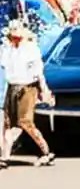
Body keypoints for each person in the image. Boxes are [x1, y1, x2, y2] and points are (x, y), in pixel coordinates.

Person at [0, 20, 54, 167]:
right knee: (6, 123)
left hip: (27, 88)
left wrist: (44, 91)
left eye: (17, 36)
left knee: (25, 122)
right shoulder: (7, 49)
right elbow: (5, 68)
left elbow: (39, 74)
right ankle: (4, 157)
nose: (14, 39)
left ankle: (45, 152)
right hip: (12, 87)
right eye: (12, 36)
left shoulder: (31, 49)